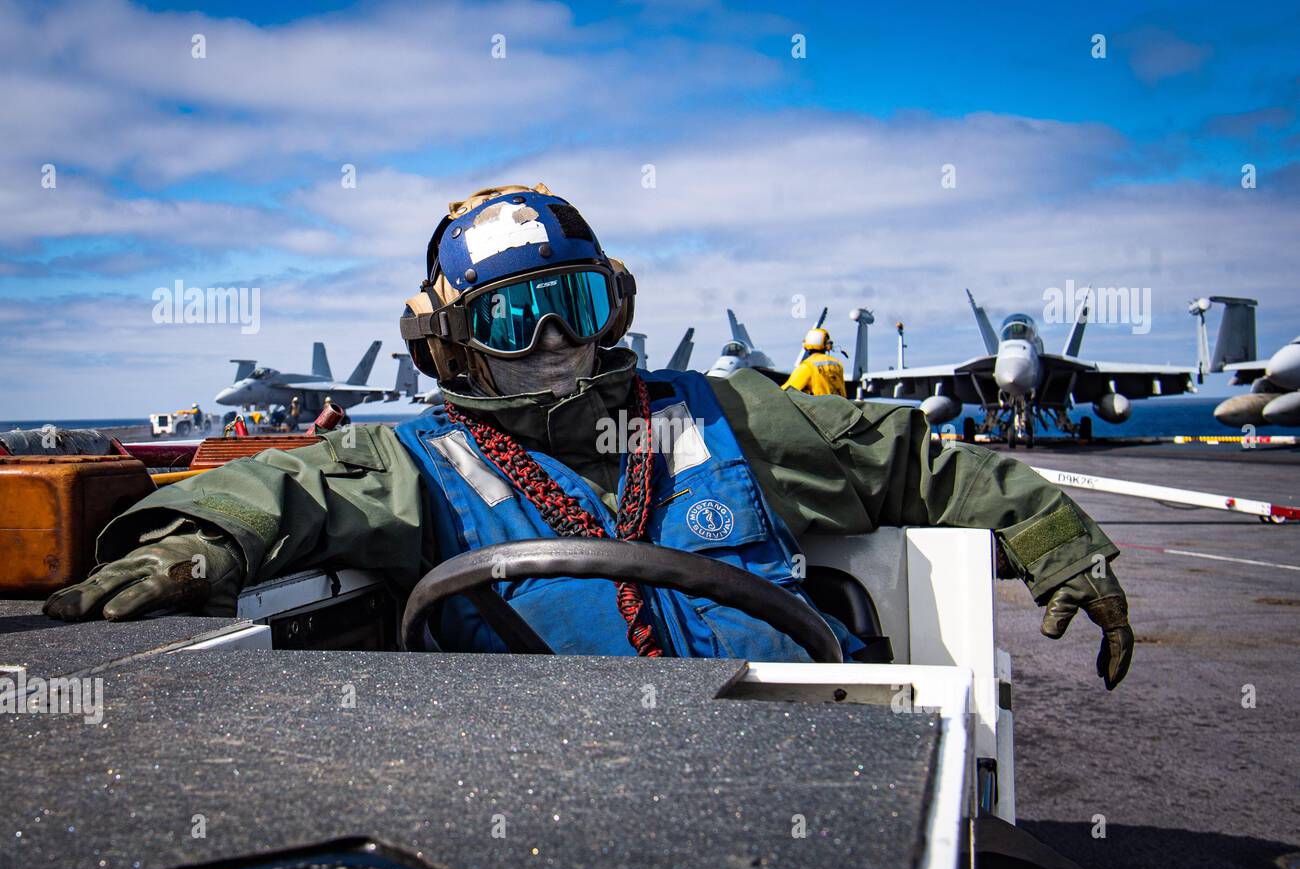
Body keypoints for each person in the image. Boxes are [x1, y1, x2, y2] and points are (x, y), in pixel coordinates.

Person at [44, 184, 1133, 687]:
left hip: (807, 765)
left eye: (570, 302)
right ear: (449, 346)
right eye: (515, 316)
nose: (553, 338)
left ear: (611, 302)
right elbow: (288, 488)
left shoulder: (729, 414)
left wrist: (1055, 535)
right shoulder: (408, 461)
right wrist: (195, 541)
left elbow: (914, 463)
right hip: (542, 805)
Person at [782, 328, 847, 397]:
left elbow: (788, 389)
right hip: (840, 406)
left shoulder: (807, 366)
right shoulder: (837, 363)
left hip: (819, 406)